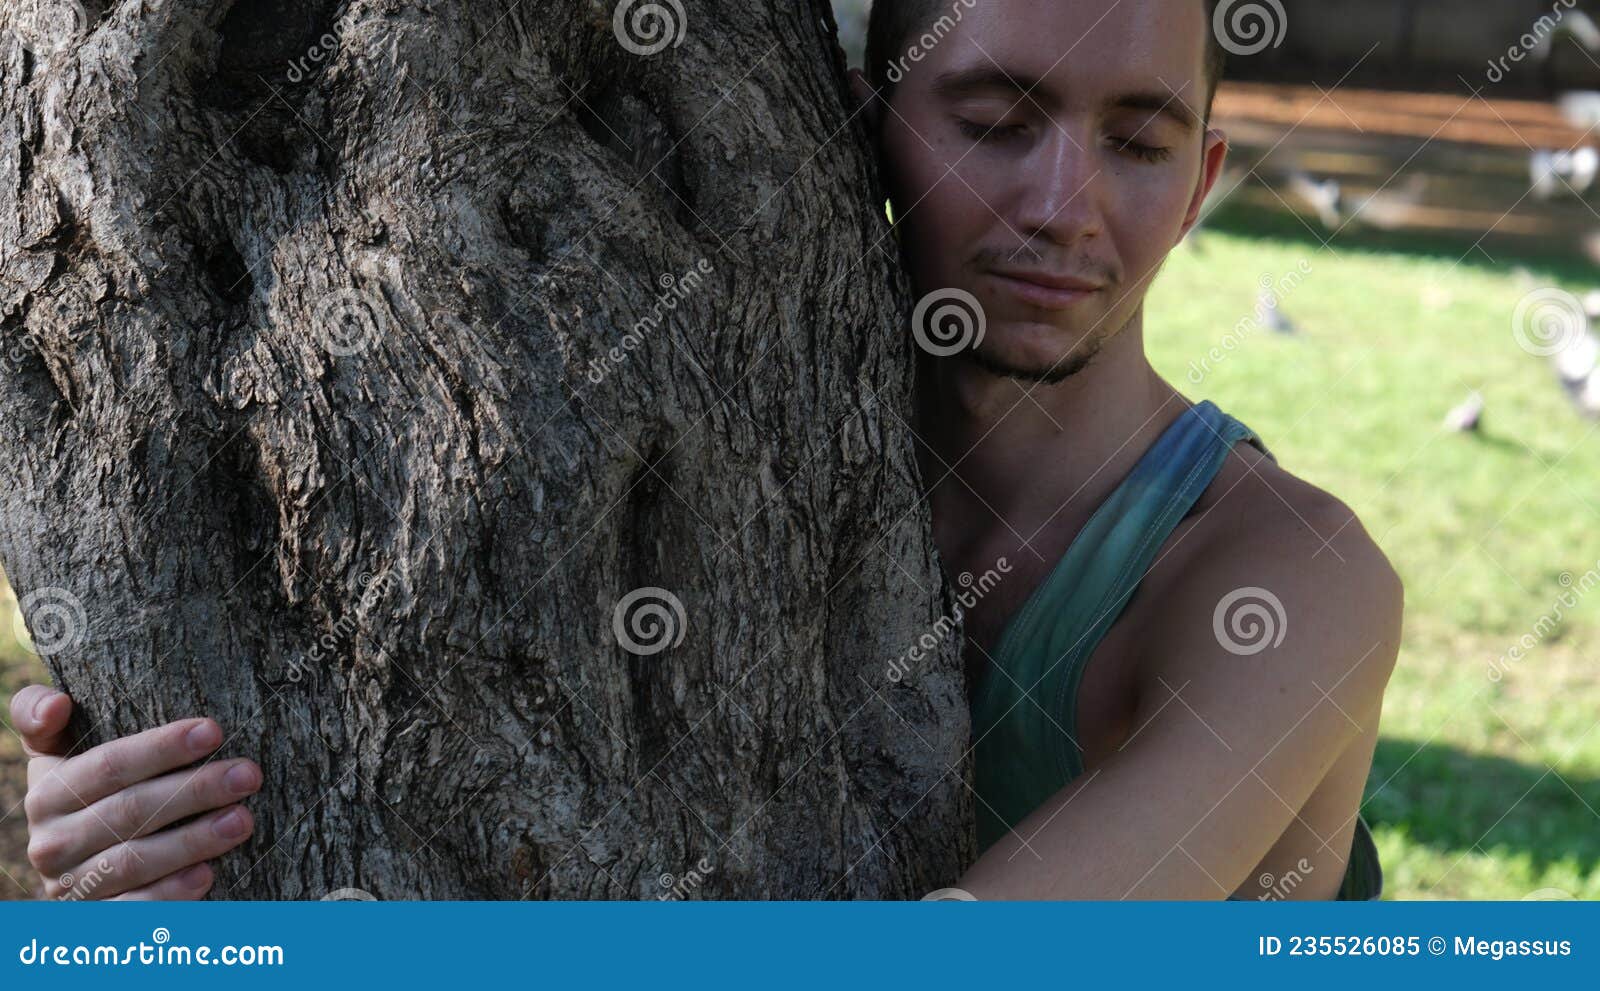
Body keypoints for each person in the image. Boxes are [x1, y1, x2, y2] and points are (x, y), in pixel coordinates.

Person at [10, 0, 1401, 900]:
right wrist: (151, 829)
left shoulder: (1295, 576)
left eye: (1139, 144)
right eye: (992, 123)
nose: (1063, 205)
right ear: (854, 129)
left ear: (1206, 182)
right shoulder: (738, 479)